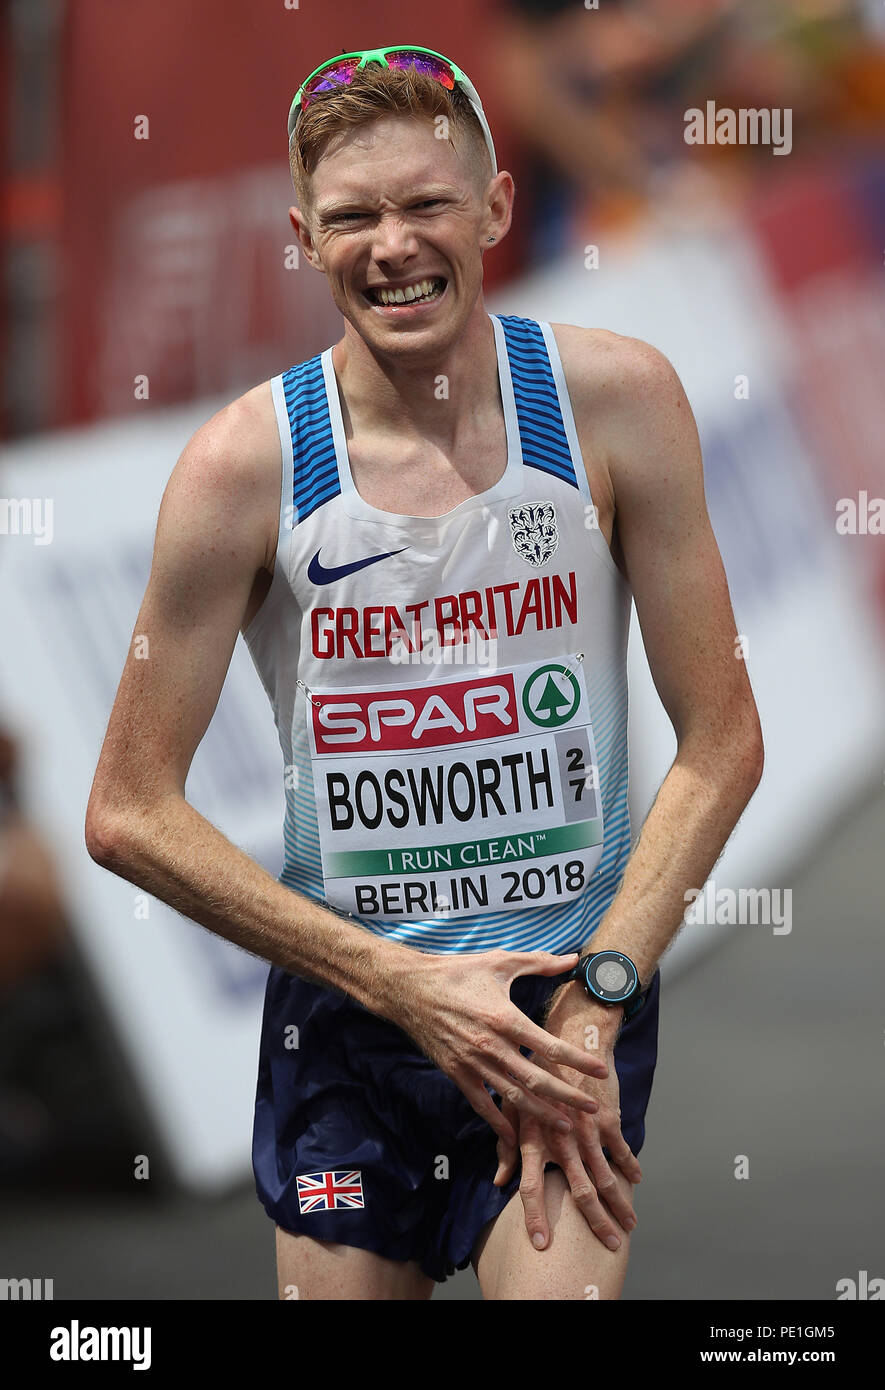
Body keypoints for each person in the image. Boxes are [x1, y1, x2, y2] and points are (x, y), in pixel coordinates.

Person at [85, 45, 764, 1300]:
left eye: (424, 206)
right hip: (350, 1028)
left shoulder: (616, 402)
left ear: (497, 207)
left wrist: (604, 993)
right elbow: (127, 811)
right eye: (352, 218)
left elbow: (723, 738)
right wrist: (399, 982)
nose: (391, 245)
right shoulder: (243, 466)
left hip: (563, 1012)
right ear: (303, 236)